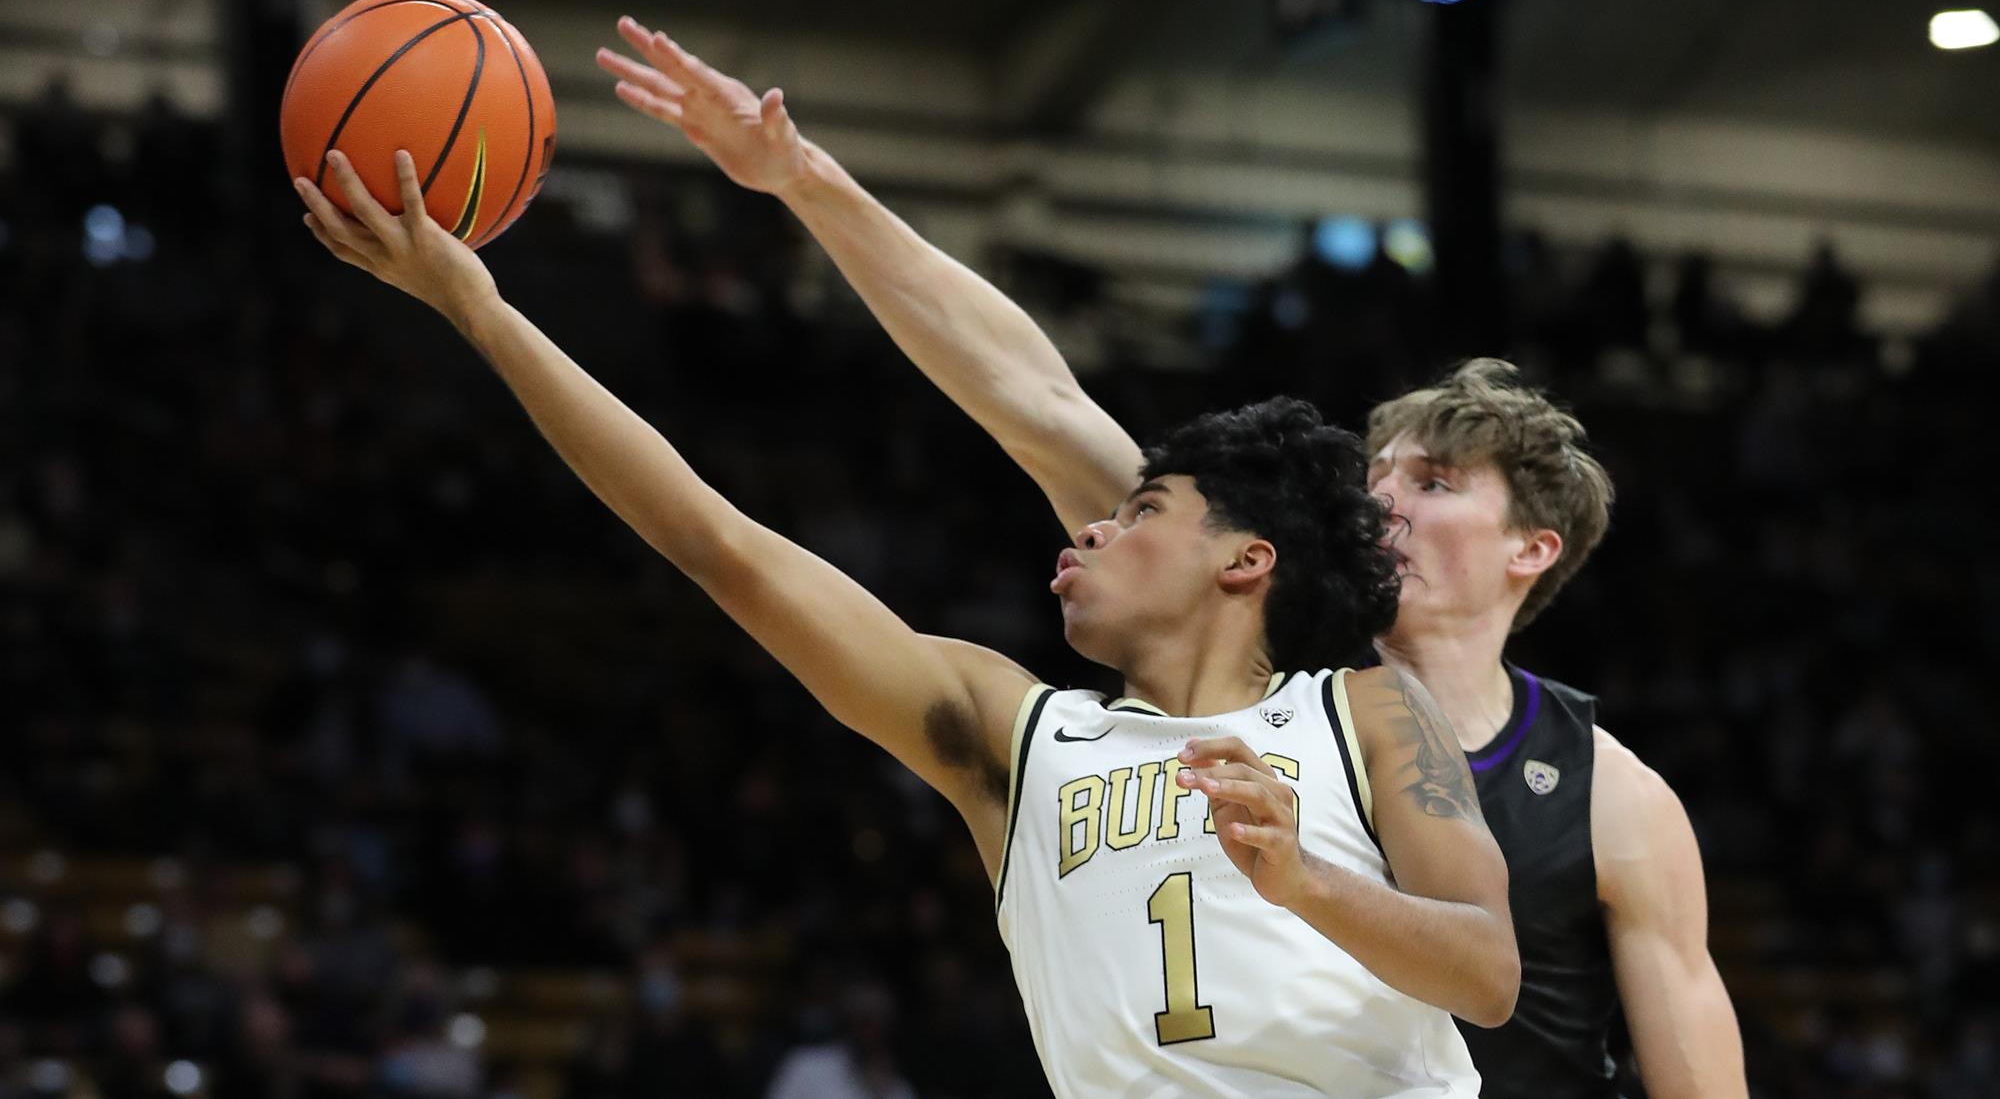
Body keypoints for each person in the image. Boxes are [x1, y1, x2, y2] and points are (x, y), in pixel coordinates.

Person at [596, 19, 1748, 1098]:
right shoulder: (1256, 616)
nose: (1379, 489)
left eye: (1432, 482)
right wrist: (805, 178)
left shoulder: (1615, 798)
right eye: (1377, 463)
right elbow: (1027, 395)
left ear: (1528, 552)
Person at [292, 150, 1518, 1097]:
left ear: (1246, 562)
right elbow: (717, 543)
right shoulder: (1012, 737)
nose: (1087, 530)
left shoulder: (1356, 709)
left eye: (1139, 510)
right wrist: (480, 309)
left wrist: (1303, 878)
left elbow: (1486, 972)